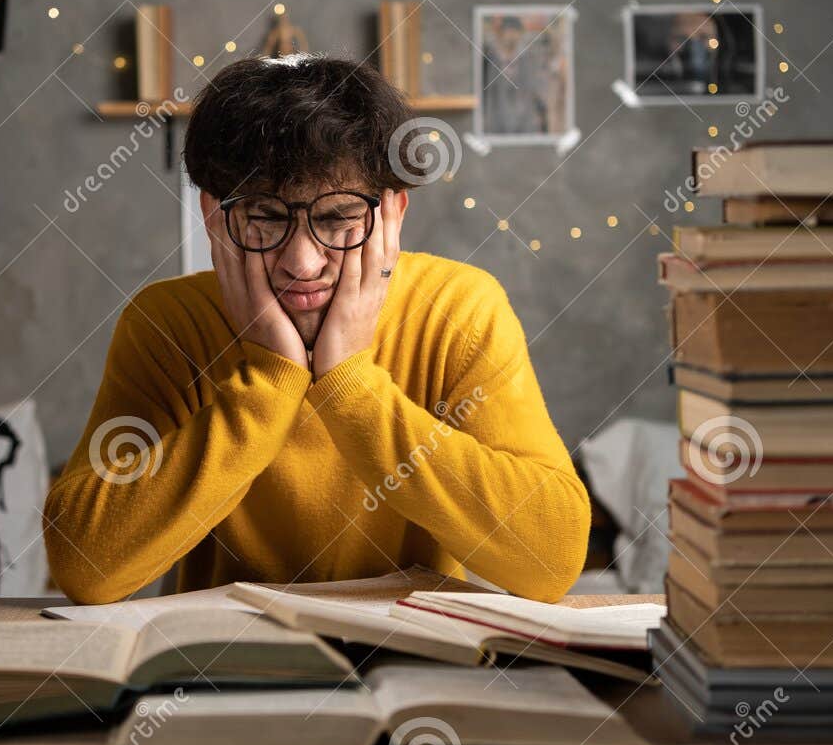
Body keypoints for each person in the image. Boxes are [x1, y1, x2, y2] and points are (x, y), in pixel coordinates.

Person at [44, 54, 590, 604]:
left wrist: (349, 384)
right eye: (264, 217)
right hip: (222, 672)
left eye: (337, 218)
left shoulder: (459, 309)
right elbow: (84, 566)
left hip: (411, 663)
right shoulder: (167, 322)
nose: (302, 263)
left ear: (393, 215)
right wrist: (269, 379)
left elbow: (553, 558)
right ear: (214, 217)